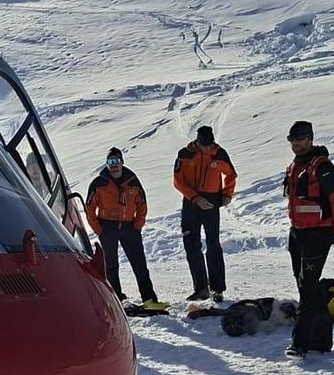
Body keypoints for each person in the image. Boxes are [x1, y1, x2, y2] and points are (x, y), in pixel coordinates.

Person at [283, 120, 334, 359]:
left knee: (308, 287)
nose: (296, 144)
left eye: (300, 140)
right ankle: (321, 341)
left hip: (318, 234)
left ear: (310, 139)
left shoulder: (322, 167)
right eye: (292, 141)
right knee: (304, 284)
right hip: (297, 232)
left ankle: (299, 342)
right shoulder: (294, 166)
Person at [84, 147, 157, 305]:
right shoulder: (99, 183)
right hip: (107, 228)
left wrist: (138, 224)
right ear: (107, 163)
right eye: (110, 162)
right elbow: (89, 207)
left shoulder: (132, 180)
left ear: (122, 162)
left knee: (140, 264)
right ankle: (116, 299)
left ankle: (149, 299)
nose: (114, 165)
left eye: (116, 161)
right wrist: (98, 229)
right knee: (111, 266)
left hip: (130, 227)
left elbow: (142, 204)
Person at [174, 124, 236, 301]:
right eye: (205, 145)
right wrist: (194, 198)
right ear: (198, 142)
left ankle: (217, 289)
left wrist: (227, 195)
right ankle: (201, 288)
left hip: (212, 204)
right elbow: (178, 181)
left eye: (210, 144)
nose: (208, 148)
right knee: (191, 246)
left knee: (213, 245)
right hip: (191, 204)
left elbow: (231, 175)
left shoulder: (219, 153)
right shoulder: (185, 154)